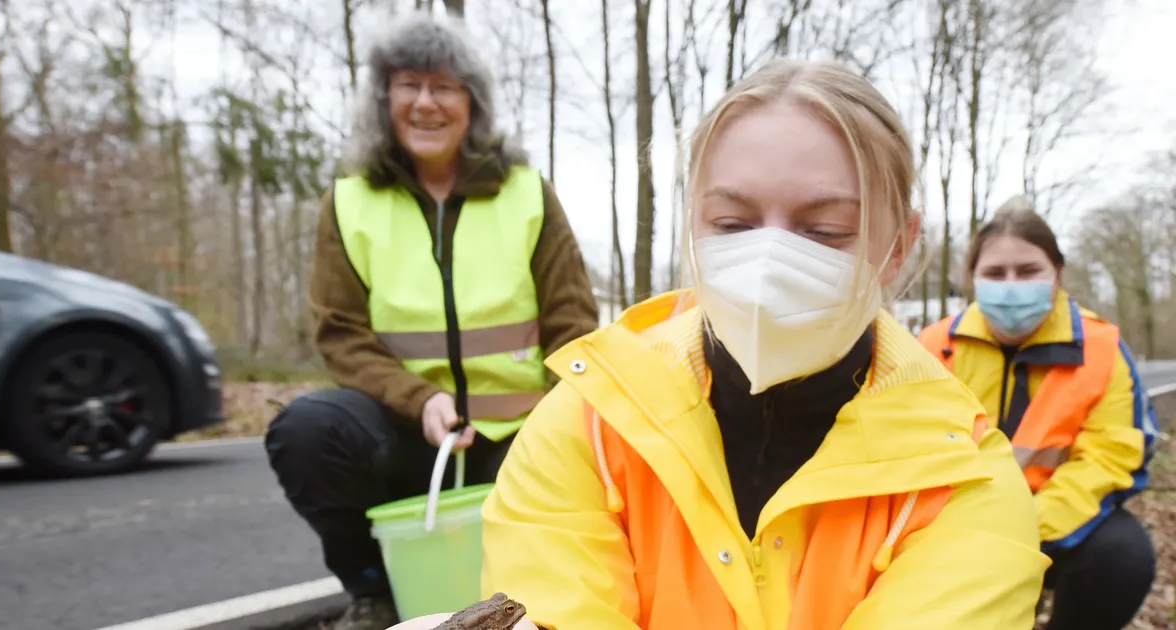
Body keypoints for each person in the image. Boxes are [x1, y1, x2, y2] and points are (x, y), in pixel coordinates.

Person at [468, 58, 1050, 629]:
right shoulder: (588, 426)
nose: (769, 262)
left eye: (824, 231)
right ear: (693, 223)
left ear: (898, 246)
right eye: (732, 225)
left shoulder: (964, 479)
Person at [263, 13, 599, 630]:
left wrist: (560, 422)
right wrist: (418, 399)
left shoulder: (527, 192)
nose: (425, 102)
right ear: (383, 99)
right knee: (308, 430)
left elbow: (572, 320)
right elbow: (340, 331)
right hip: (408, 437)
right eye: (408, 84)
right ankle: (373, 590)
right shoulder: (350, 199)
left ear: (472, 102)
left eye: (444, 86)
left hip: (519, 439)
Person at [918, 197, 1157, 630]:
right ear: (972, 279)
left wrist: (1020, 531)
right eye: (994, 273)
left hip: (1052, 525)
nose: (1011, 286)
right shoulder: (930, 348)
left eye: (1027, 271)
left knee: (1122, 555)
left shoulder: (1101, 350)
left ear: (1057, 274)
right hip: (947, 529)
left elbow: (1110, 459)